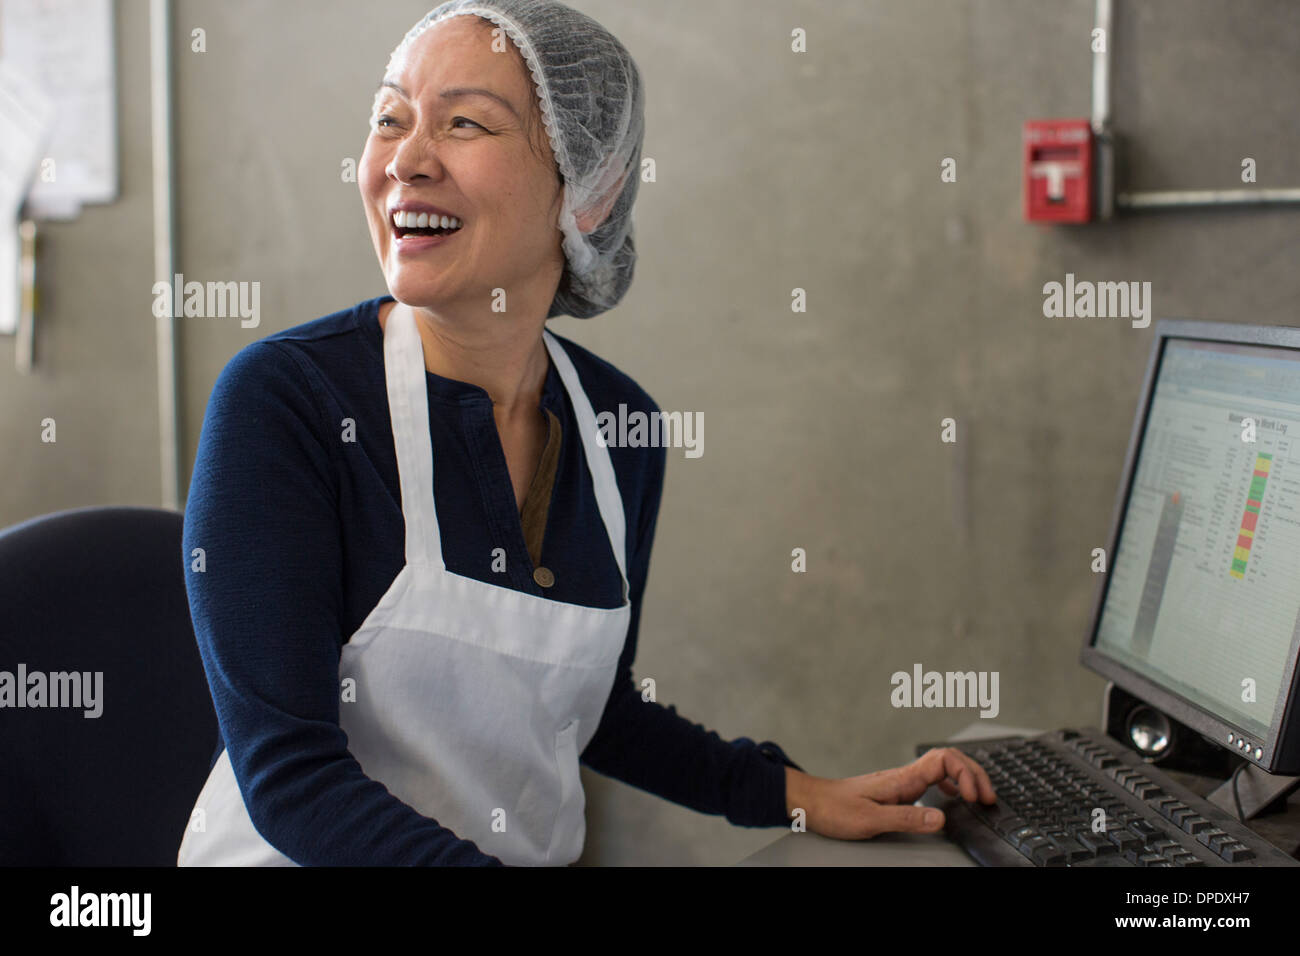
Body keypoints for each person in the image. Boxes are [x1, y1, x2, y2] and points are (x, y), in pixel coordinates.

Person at [177, 0, 995, 867]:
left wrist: (801, 796)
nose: (406, 162)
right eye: (389, 120)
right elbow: (291, 781)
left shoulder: (622, 427)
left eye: (463, 124)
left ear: (589, 192)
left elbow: (593, 709)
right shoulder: (286, 402)